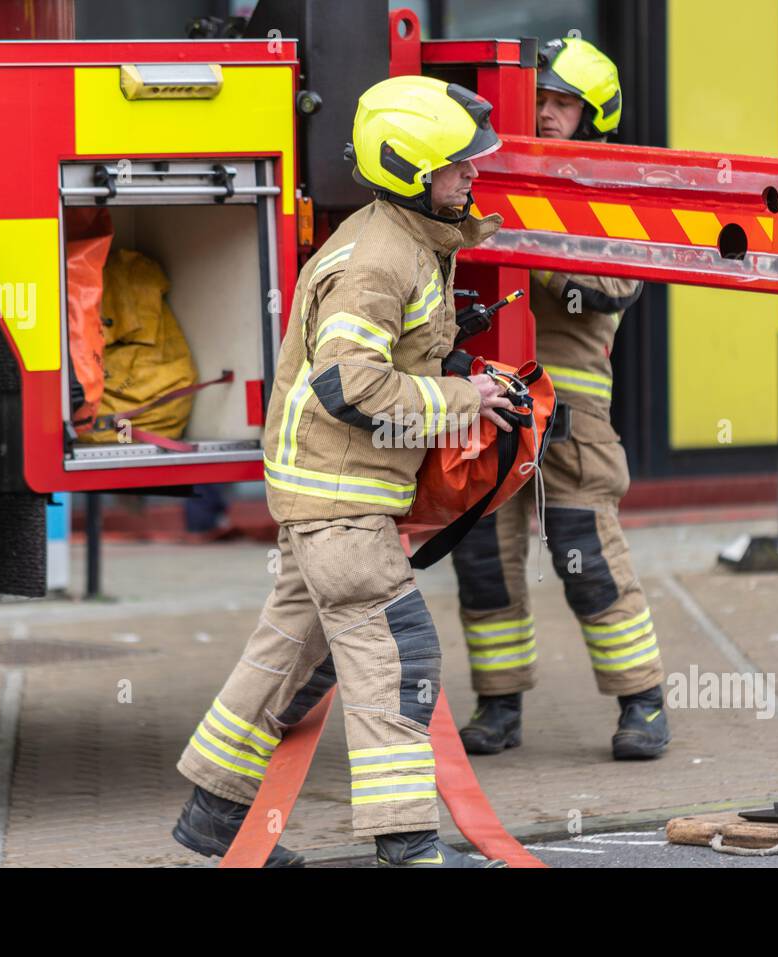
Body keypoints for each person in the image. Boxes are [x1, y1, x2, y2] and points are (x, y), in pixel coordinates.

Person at [172, 75, 516, 868]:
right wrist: (464, 396)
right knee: (398, 657)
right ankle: (409, 844)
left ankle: (212, 819)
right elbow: (348, 385)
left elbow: (393, 358)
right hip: (339, 502)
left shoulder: (401, 239)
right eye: (458, 165)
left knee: (287, 654)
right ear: (410, 168)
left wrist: (464, 371)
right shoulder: (377, 261)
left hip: (326, 494)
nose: (472, 176)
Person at [449, 37, 673, 762]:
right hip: (487, 404)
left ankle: (643, 701)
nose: (547, 112)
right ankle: (499, 702)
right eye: (540, 98)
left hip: (571, 418)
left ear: (592, 116)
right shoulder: (480, 175)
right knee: (484, 555)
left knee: (586, 553)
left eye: (563, 104)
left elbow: (605, 287)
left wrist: (519, 236)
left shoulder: (608, 194)